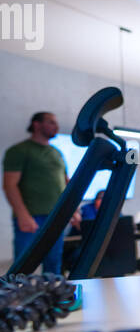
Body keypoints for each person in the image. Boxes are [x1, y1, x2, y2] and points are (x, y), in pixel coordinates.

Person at [2, 111, 80, 273]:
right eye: (51, 122)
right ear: (36, 125)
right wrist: (23, 215)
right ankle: (20, 298)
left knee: (54, 264)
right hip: (31, 218)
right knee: (22, 268)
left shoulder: (56, 153)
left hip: (56, 218)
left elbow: (67, 183)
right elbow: (10, 185)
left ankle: (53, 297)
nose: (56, 126)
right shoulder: (19, 151)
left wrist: (73, 210)